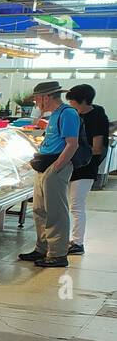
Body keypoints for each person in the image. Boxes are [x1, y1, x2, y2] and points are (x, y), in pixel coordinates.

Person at [19, 80, 83, 269]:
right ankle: (42, 247)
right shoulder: (54, 115)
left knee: (56, 211)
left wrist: (56, 168)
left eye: (37, 99)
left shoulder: (68, 113)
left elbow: (72, 144)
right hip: (44, 165)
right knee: (39, 210)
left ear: (46, 97)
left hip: (55, 166)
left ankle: (57, 254)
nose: (36, 103)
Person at [65, 84, 108, 255]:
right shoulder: (78, 114)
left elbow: (97, 148)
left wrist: (73, 148)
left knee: (76, 205)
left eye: (73, 102)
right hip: (73, 165)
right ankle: (72, 239)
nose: (71, 105)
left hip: (86, 167)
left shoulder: (96, 116)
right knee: (72, 205)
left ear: (82, 101)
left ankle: (77, 243)